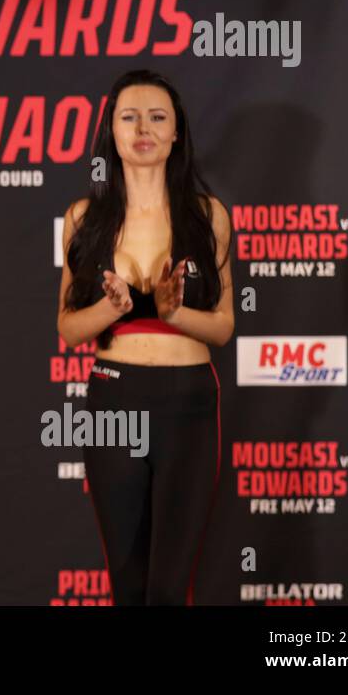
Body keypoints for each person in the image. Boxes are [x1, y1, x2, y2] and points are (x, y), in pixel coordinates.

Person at [57, 68, 234, 605]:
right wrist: (110, 310)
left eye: (157, 117)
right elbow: (67, 328)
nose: (143, 128)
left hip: (189, 404)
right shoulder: (84, 219)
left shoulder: (208, 216)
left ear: (176, 132)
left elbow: (224, 326)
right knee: (128, 585)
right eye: (129, 116)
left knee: (169, 587)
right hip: (115, 399)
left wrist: (174, 313)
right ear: (110, 129)